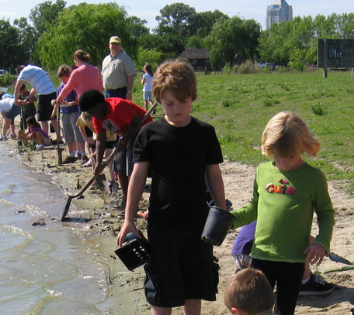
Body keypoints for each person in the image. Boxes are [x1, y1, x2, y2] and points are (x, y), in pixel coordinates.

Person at [116, 61, 226, 315]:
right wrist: (128, 219)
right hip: (161, 225)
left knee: (194, 289)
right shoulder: (149, 134)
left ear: (193, 96)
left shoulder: (205, 133)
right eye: (169, 103)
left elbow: (214, 175)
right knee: (161, 290)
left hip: (199, 223)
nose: (177, 108)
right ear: (158, 101)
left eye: (183, 101)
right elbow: (138, 176)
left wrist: (221, 212)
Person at [230, 111, 335, 315]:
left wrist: (322, 242)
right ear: (268, 147)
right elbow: (254, 207)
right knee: (257, 309)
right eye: (278, 155)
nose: (284, 162)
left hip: (294, 260)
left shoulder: (313, 177)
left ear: (303, 146)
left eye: (290, 156)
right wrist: (231, 219)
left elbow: (326, 213)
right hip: (261, 256)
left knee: (284, 310)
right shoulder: (262, 171)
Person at [78, 89, 152, 206]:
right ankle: (128, 202)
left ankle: (134, 203)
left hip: (142, 129)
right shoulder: (97, 117)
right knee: (119, 166)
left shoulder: (117, 107)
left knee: (130, 167)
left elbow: (136, 123)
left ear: (99, 106)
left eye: (92, 112)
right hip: (125, 134)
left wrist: (123, 141)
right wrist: (98, 162)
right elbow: (101, 139)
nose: (92, 116)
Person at [231, 221, 335, 297]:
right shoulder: (287, 216)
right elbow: (301, 236)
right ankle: (304, 282)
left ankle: (247, 277)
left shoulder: (266, 209)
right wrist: (322, 245)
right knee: (299, 242)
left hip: (240, 255)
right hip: (255, 256)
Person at [15, 65, 58, 143]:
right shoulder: (35, 69)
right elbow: (35, 89)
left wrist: (16, 101)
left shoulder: (24, 72)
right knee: (53, 116)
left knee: (43, 118)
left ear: (19, 72)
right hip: (52, 91)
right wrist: (28, 98)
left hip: (44, 93)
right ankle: (59, 138)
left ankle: (46, 139)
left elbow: (17, 88)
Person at [53, 65, 85, 163]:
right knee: (67, 133)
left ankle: (81, 152)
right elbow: (58, 99)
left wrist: (69, 104)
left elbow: (77, 100)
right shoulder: (60, 87)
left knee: (77, 132)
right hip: (64, 112)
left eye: (65, 79)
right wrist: (54, 110)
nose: (63, 81)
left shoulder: (73, 86)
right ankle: (71, 153)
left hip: (74, 111)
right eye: (61, 79)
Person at [101, 36, 137, 100]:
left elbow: (130, 75)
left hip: (120, 92)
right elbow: (103, 76)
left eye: (117, 44)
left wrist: (129, 92)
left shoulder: (125, 58)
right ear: (109, 45)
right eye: (112, 44)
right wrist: (101, 91)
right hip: (108, 92)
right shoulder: (105, 59)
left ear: (120, 46)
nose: (114, 46)